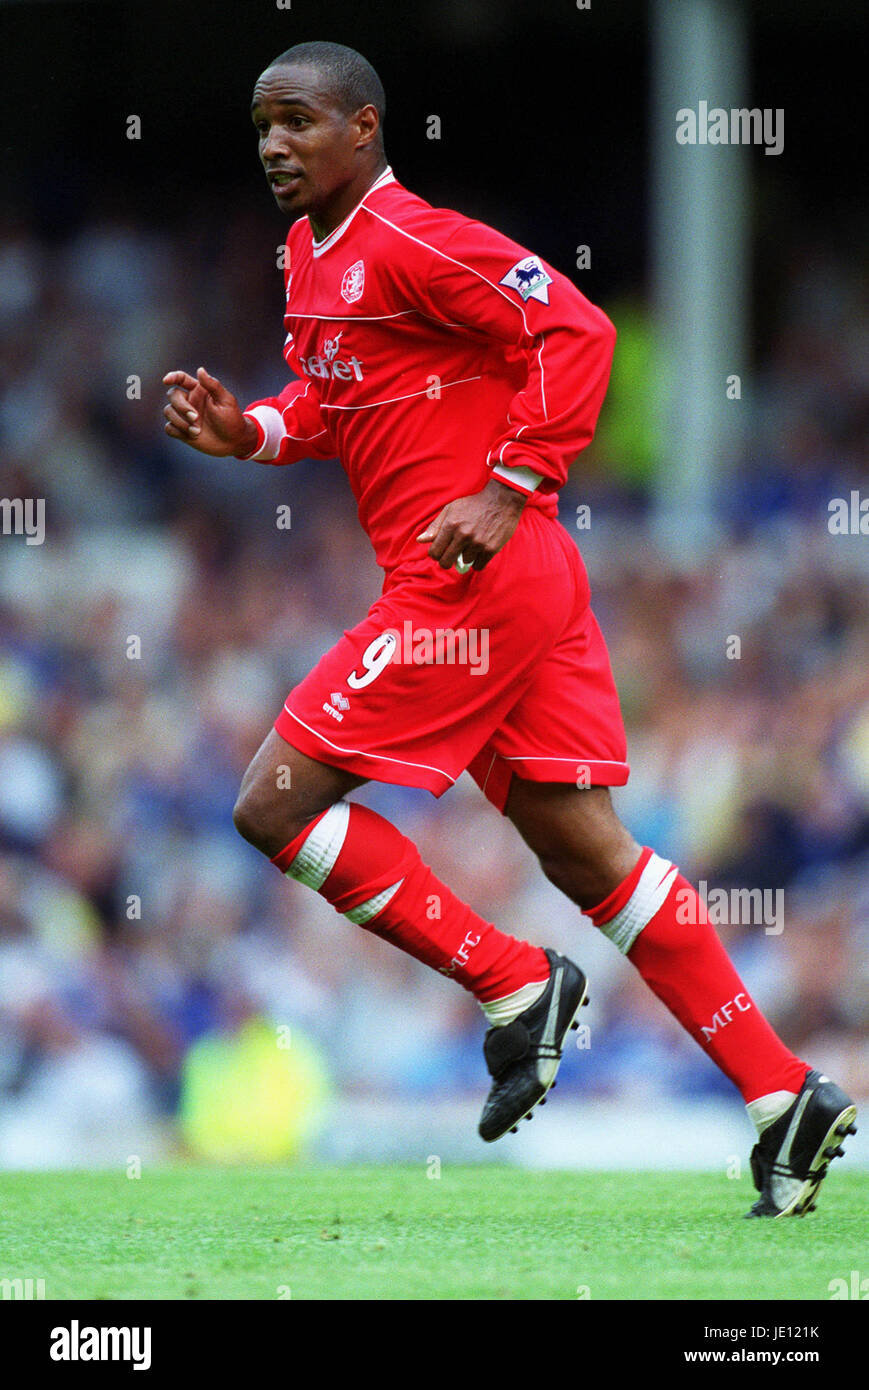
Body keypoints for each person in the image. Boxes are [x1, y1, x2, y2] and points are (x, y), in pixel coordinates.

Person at [163, 40, 856, 1217]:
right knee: (588, 854)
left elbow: (577, 328)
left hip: (470, 576)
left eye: (297, 121)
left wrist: (510, 480)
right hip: (508, 579)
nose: (275, 145)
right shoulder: (305, 255)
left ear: (364, 130)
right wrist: (255, 434)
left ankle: (512, 983)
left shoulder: (422, 239)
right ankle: (780, 1095)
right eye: (261, 124)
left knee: (271, 803)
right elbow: (340, 399)